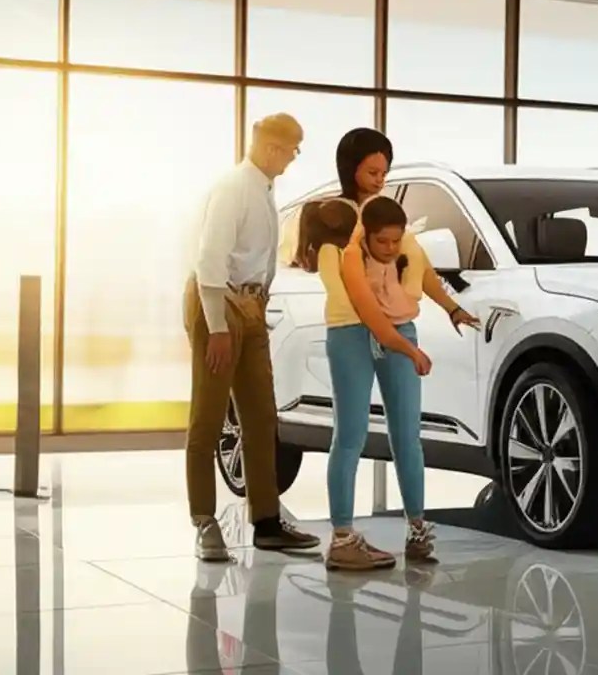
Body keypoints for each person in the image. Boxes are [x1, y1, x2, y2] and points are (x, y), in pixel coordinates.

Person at [312, 128, 478, 570]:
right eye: (372, 171)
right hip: (350, 330)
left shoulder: (389, 217)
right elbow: (342, 283)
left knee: (408, 435)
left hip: (400, 327)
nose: (379, 179)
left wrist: (451, 307)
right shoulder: (335, 218)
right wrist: (397, 339)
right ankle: (342, 538)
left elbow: (420, 267)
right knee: (350, 435)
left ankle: (418, 531)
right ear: (351, 169)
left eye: (384, 171)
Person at [184, 112, 321, 561]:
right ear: (270, 147)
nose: (292, 158)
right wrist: (217, 328)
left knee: (261, 416)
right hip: (219, 303)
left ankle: (266, 521)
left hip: (250, 305)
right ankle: (205, 523)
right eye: (291, 150)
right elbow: (209, 261)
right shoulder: (234, 188)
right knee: (208, 416)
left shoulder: (263, 189)